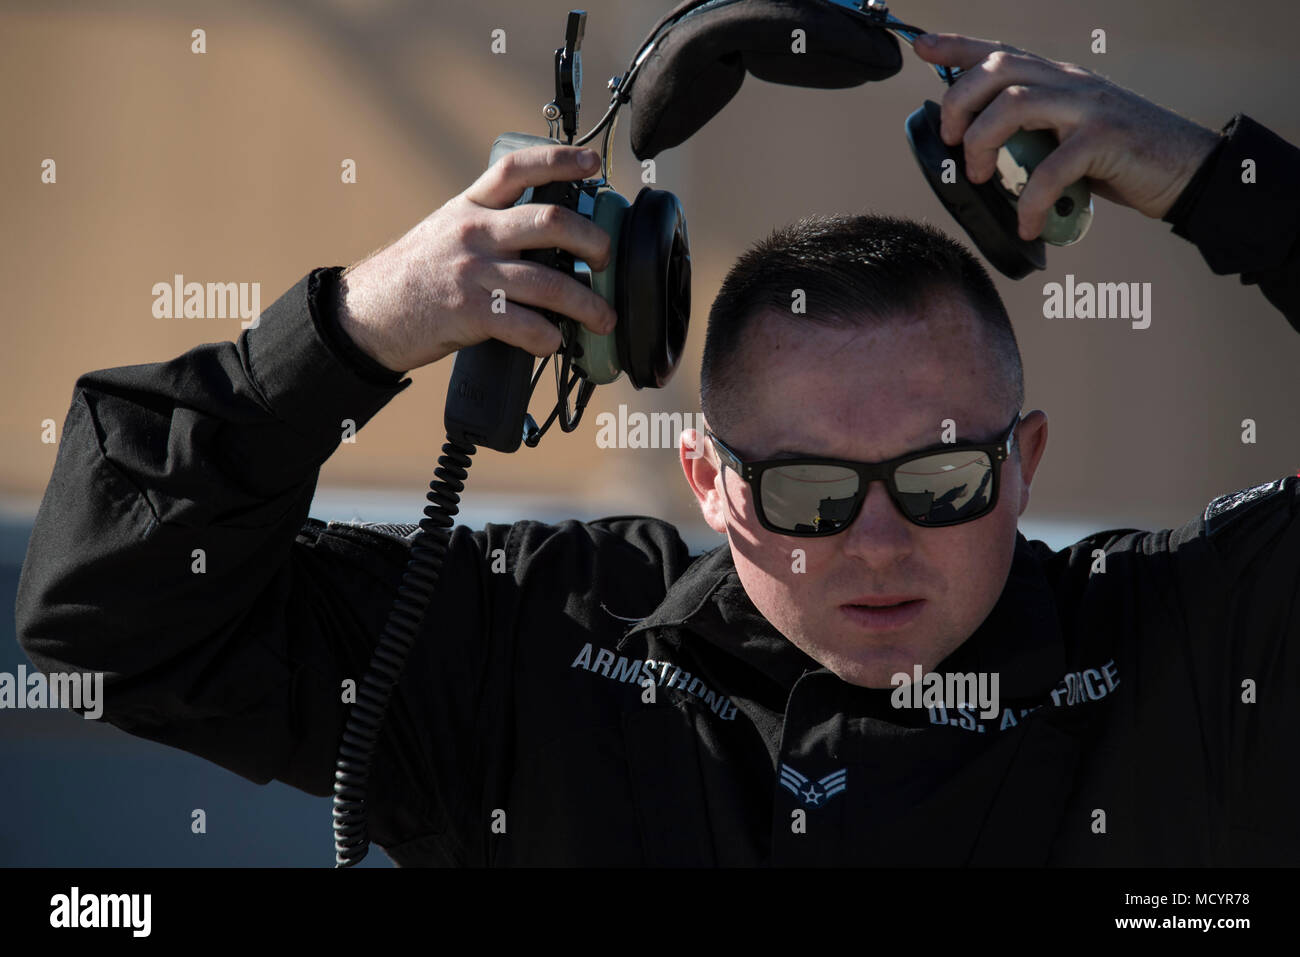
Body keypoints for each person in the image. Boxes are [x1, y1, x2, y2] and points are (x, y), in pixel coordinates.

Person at [15, 34, 1300, 866]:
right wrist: (362, 323)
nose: (876, 542)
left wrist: (1213, 181)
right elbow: (108, 618)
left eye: (942, 480)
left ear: (1022, 462)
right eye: (803, 492)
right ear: (706, 477)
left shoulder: (1187, 656)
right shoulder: (530, 653)